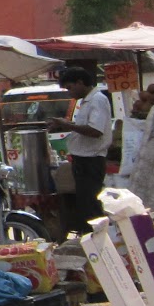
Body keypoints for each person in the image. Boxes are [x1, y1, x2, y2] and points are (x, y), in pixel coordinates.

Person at [47, 66, 113, 235]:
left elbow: (95, 131)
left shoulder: (97, 100)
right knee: (84, 203)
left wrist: (66, 125)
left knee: (91, 204)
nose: (69, 92)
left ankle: (98, 241)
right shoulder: (86, 101)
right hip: (82, 159)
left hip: (91, 161)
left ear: (80, 82)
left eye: (70, 88)